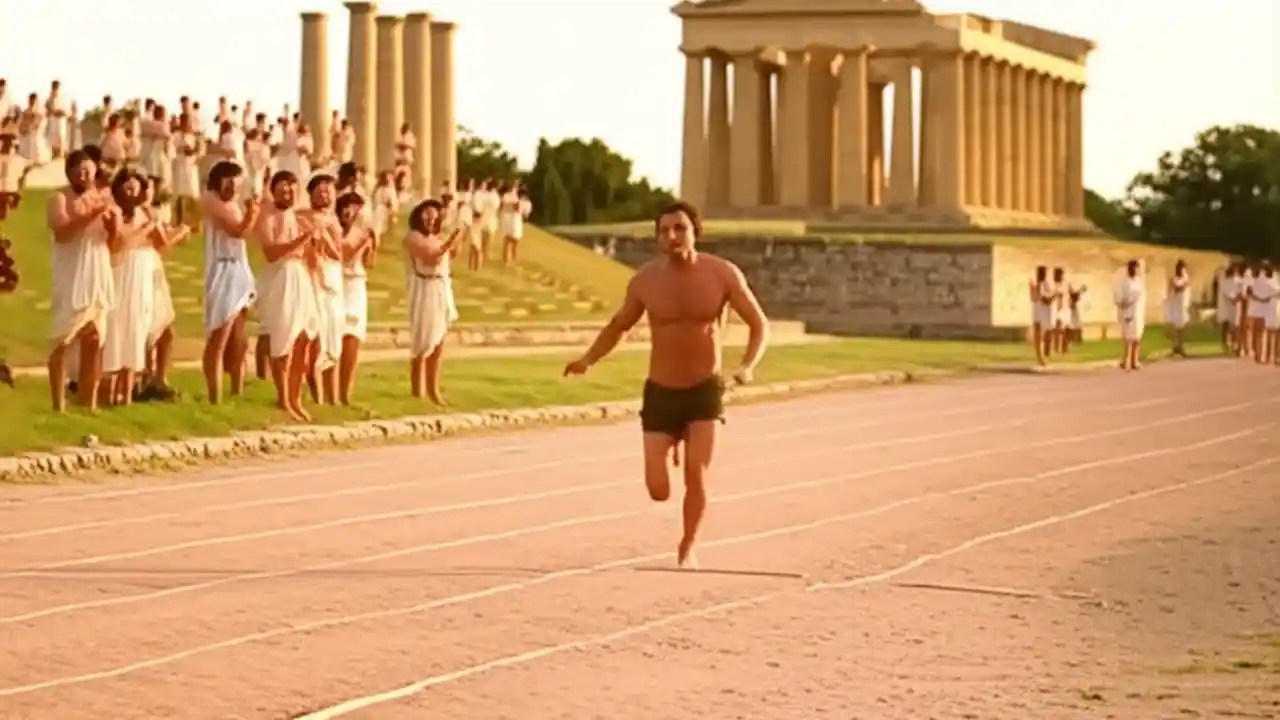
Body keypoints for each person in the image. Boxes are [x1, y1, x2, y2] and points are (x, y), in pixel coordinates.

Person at [563, 201, 769, 569]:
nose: (672, 236)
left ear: (695, 232)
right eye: (664, 230)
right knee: (658, 490)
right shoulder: (645, 281)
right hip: (661, 390)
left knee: (696, 472)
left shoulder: (722, 274)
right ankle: (673, 441)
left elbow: (758, 323)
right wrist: (588, 359)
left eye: (680, 228)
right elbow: (618, 326)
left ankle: (689, 544)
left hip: (705, 389)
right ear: (657, 237)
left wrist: (748, 365)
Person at [46, 149, 118, 411]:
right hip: (71, 273)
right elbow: (62, 231)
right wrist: (92, 211)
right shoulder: (59, 198)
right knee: (62, 339)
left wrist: (112, 226)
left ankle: (89, 403)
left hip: (98, 272)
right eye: (78, 171)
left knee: (95, 340)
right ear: (69, 173)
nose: (84, 175)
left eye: (88, 170)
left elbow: (114, 243)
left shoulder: (104, 199)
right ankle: (58, 403)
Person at [200, 161, 260, 404]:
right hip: (221, 269)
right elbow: (237, 231)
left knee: (239, 337)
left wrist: (250, 215)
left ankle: (237, 392)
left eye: (236, 182)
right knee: (219, 335)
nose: (233, 186)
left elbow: (246, 233)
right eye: (228, 181)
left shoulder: (234, 204)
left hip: (240, 267)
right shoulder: (212, 202)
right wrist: (251, 215)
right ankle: (215, 395)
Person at [403, 198, 462, 404]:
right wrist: (448, 243)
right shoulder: (413, 237)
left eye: (435, 215)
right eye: (427, 214)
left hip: (441, 288)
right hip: (423, 289)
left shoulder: (437, 238)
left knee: (438, 342)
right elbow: (431, 258)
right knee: (423, 340)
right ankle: (417, 390)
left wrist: (455, 242)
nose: (431, 219)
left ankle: (433, 389)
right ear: (419, 216)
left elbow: (449, 256)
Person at [1113, 259, 1146, 371]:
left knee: (1137, 337)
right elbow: (1118, 297)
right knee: (1128, 338)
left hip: (1138, 312)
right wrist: (1125, 303)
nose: (1135, 270)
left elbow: (1142, 296)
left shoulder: (1139, 282)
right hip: (1127, 311)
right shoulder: (1123, 282)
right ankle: (1126, 360)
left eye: (1136, 268)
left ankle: (1135, 360)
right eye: (1132, 268)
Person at [1163, 259, 1191, 357]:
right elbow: (1176, 288)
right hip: (1175, 305)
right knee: (1175, 327)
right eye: (1182, 268)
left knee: (1183, 327)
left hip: (1183, 305)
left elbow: (1187, 289)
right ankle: (1174, 346)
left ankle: (1181, 346)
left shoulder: (1186, 277)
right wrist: (1184, 285)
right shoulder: (1174, 278)